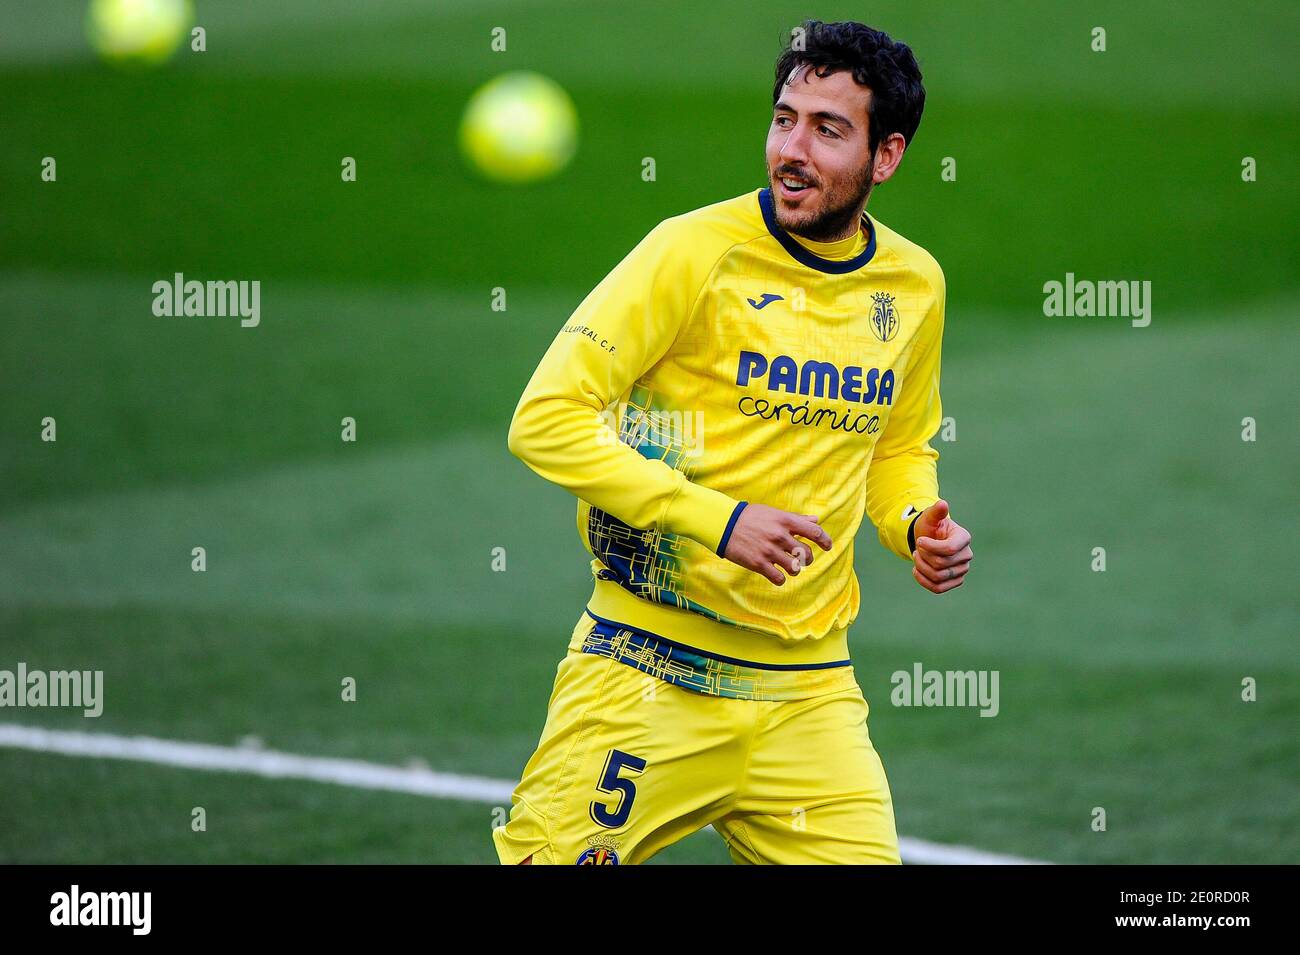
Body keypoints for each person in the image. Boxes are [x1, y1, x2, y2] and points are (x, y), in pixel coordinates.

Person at [494, 19, 973, 865]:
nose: (793, 150)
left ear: (887, 156)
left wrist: (914, 523)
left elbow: (899, 445)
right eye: (785, 119)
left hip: (810, 697)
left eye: (828, 130)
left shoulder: (913, 285)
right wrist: (717, 520)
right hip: (645, 671)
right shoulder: (691, 252)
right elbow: (546, 418)